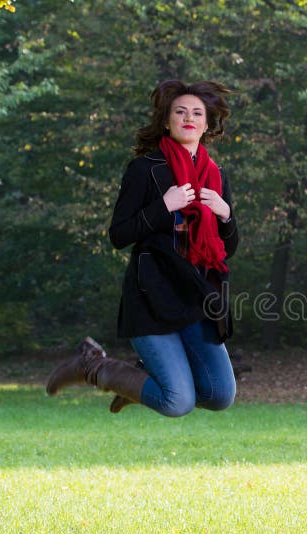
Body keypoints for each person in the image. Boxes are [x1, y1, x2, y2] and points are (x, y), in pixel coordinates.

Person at [45, 80, 239, 417]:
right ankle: (94, 366)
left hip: (198, 297)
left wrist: (225, 214)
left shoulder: (216, 175)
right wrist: (162, 208)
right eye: (181, 112)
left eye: (197, 113)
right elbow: (119, 235)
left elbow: (228, 247)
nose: (189, 118)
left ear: (207, 124)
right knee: (176, 402)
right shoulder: (145, 169)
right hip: (152, 295)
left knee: (220, 394)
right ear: (167, 120)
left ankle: (136, 382)